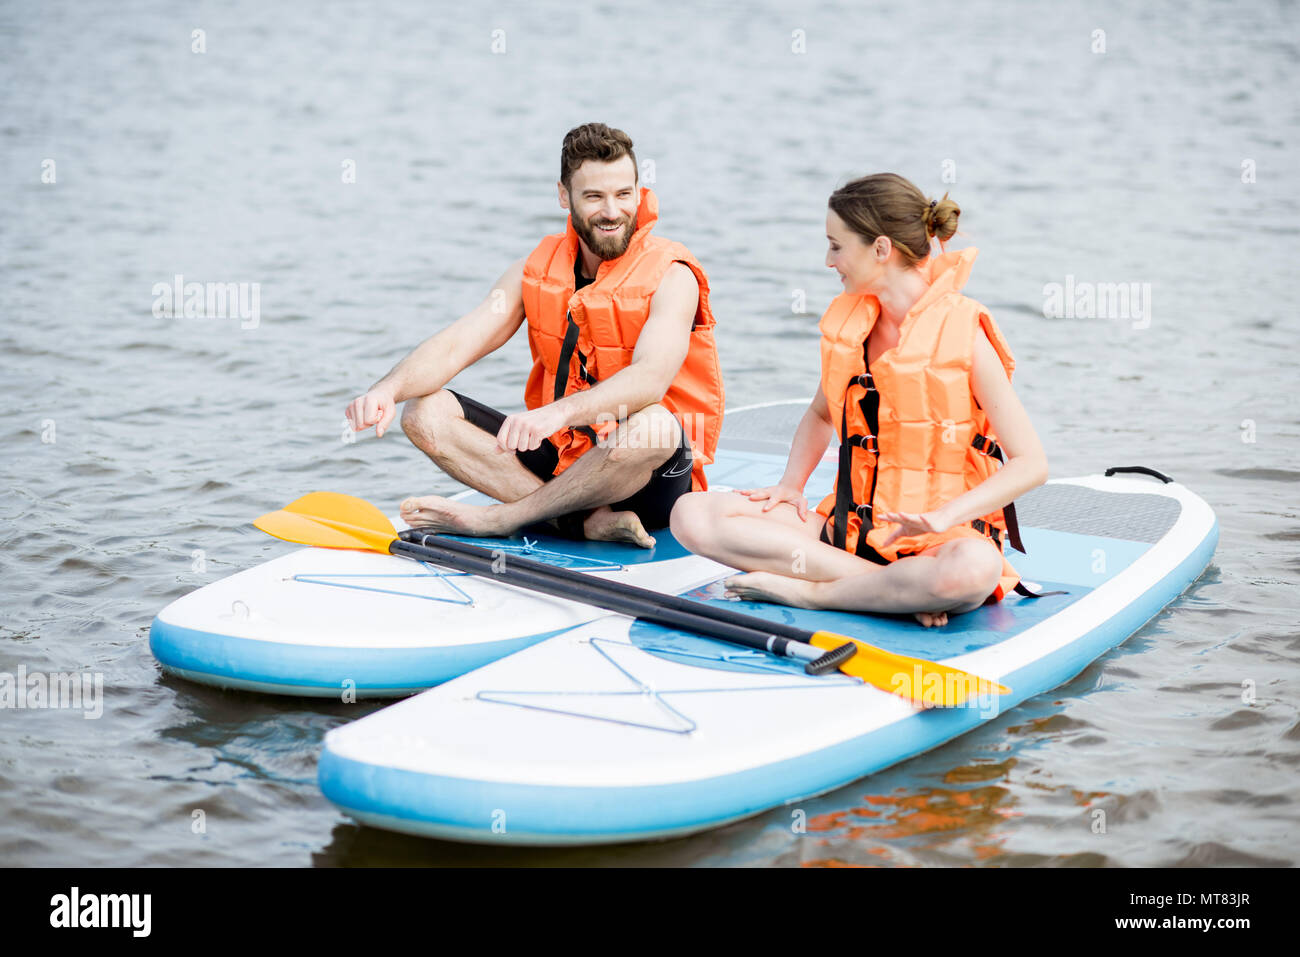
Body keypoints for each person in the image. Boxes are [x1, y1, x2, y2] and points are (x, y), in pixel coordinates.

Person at [669, 173, 1048, 627]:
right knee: (692, 514)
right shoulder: (852, 325)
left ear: (881, 250)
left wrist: (943, 517)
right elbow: (820, 412)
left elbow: (1031, 463)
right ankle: (889, 591)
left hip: (941, 543)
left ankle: (811, 595)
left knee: (975, 570)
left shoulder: (966, 335)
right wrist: (791, 485)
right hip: (850, 532)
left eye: (836, 246)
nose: (828, 261)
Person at [345, 123, 724, 548]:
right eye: (594, 196)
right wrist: (387, 390)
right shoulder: (535, 270)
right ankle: (580, 523)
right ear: (564, 196)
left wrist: (556, 414)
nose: (613, 211)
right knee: (422, 413)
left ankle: (504, 518)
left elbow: (650, 378)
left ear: (639, 191)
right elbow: (460, 341)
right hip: (563, 460)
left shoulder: (673, 275)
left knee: (652, 425)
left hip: (647, 474)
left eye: (623, 194)